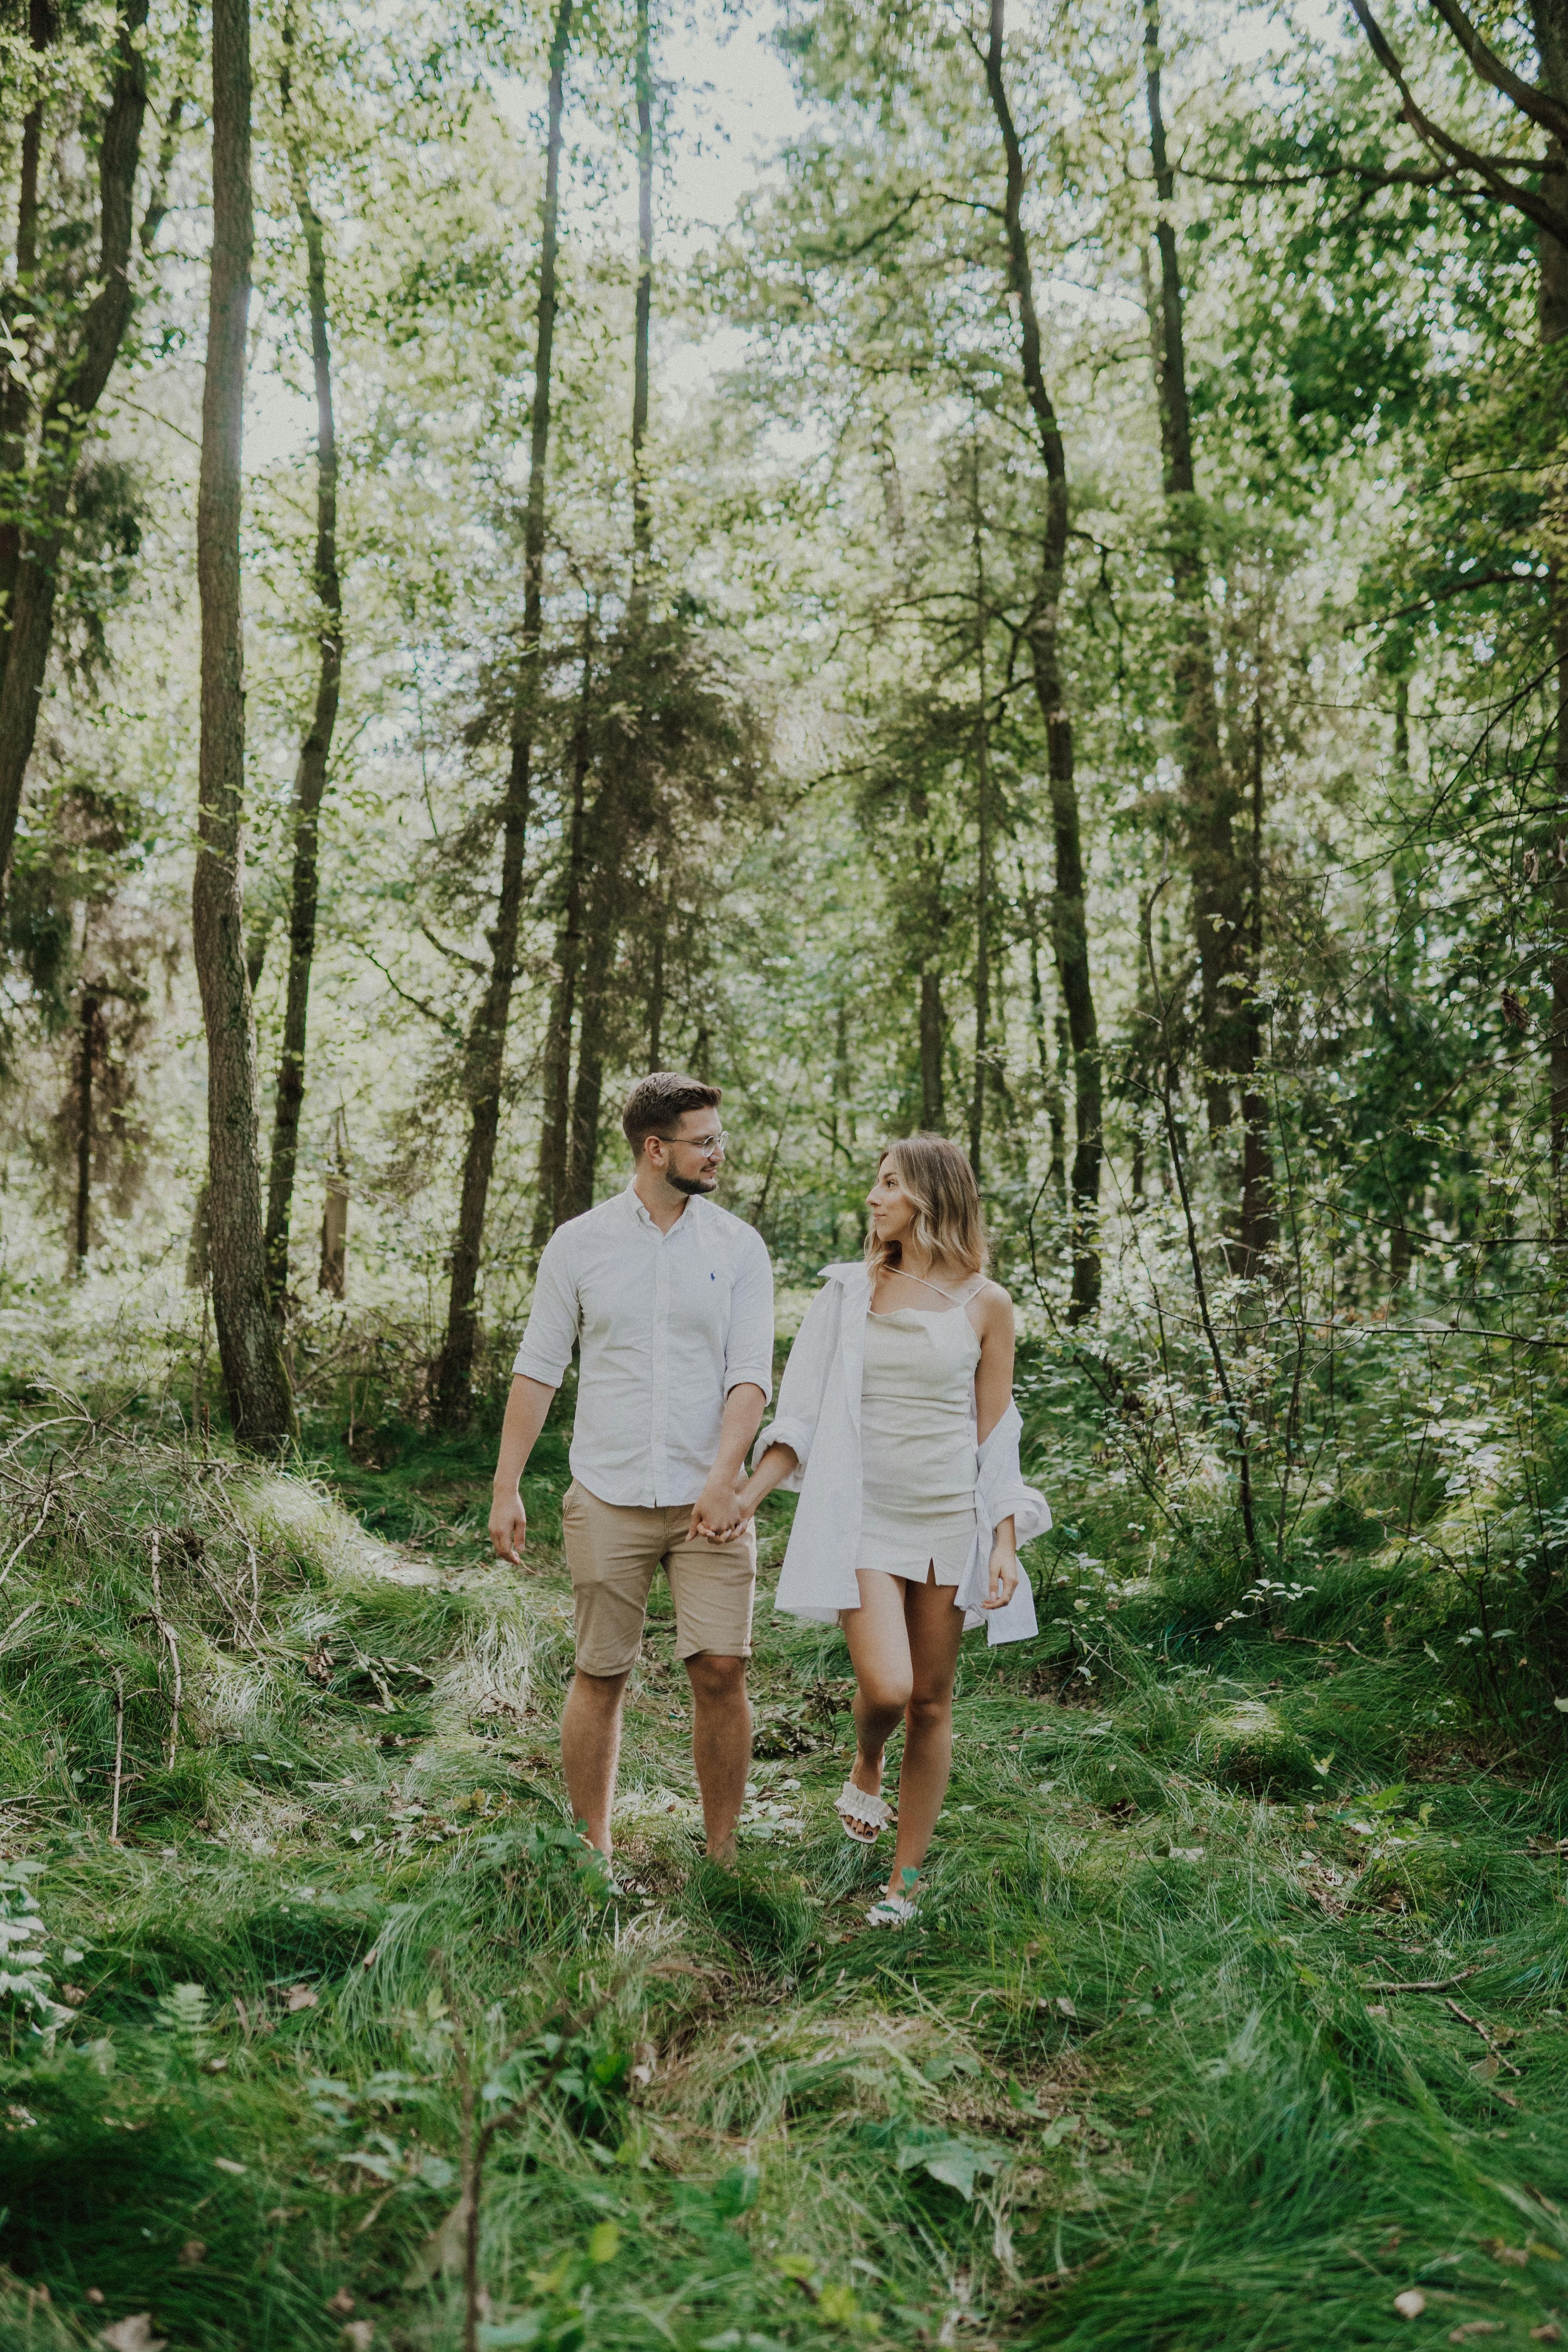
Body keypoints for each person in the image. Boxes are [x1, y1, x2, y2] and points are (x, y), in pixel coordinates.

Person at [724, 1134, 1047, 1926]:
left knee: (933, 1703)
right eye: (875, 1185)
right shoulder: (848, 1293)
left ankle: (902, 1884)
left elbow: (995, 1431)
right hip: (863, 1516)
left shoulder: (986, 1303)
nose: (873, 1199)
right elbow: (797, 1409)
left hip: (950, 1517)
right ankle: (866, 1757)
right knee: (890, 1688)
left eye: (890, 1186)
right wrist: (748, 1493)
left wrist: (1004, 1540)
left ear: (933, 1196)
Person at [488, 1072, 773, 1871]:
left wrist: (726, 1477)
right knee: (600, 1671)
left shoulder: (737, 1248)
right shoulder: (578, 1244)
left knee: (721, 1670)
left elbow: (750, 1374)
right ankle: (591, 1855)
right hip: (606, 1496)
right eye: (703, 1141)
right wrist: (506, 1485)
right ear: (656, 1150)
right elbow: (539, 1368)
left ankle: (721, 1857)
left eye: (717, 1137)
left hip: (708, 1500)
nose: (719, 1152)